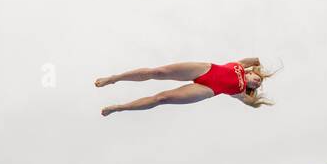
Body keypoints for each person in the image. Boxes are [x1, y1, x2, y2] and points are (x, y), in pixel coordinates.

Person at [96, 58, 277, 114]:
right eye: (258, 79)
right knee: (158, 72)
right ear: (253, 72)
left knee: (162, 98)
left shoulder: (239, 91)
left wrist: (259, 101)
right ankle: (114, 78)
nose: (256, 82)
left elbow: (252, 102)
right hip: (205, 69)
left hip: (206, 90)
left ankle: (119, 108)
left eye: (257, 84)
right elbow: (255, 59)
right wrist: (260, 64)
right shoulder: (239, 65)